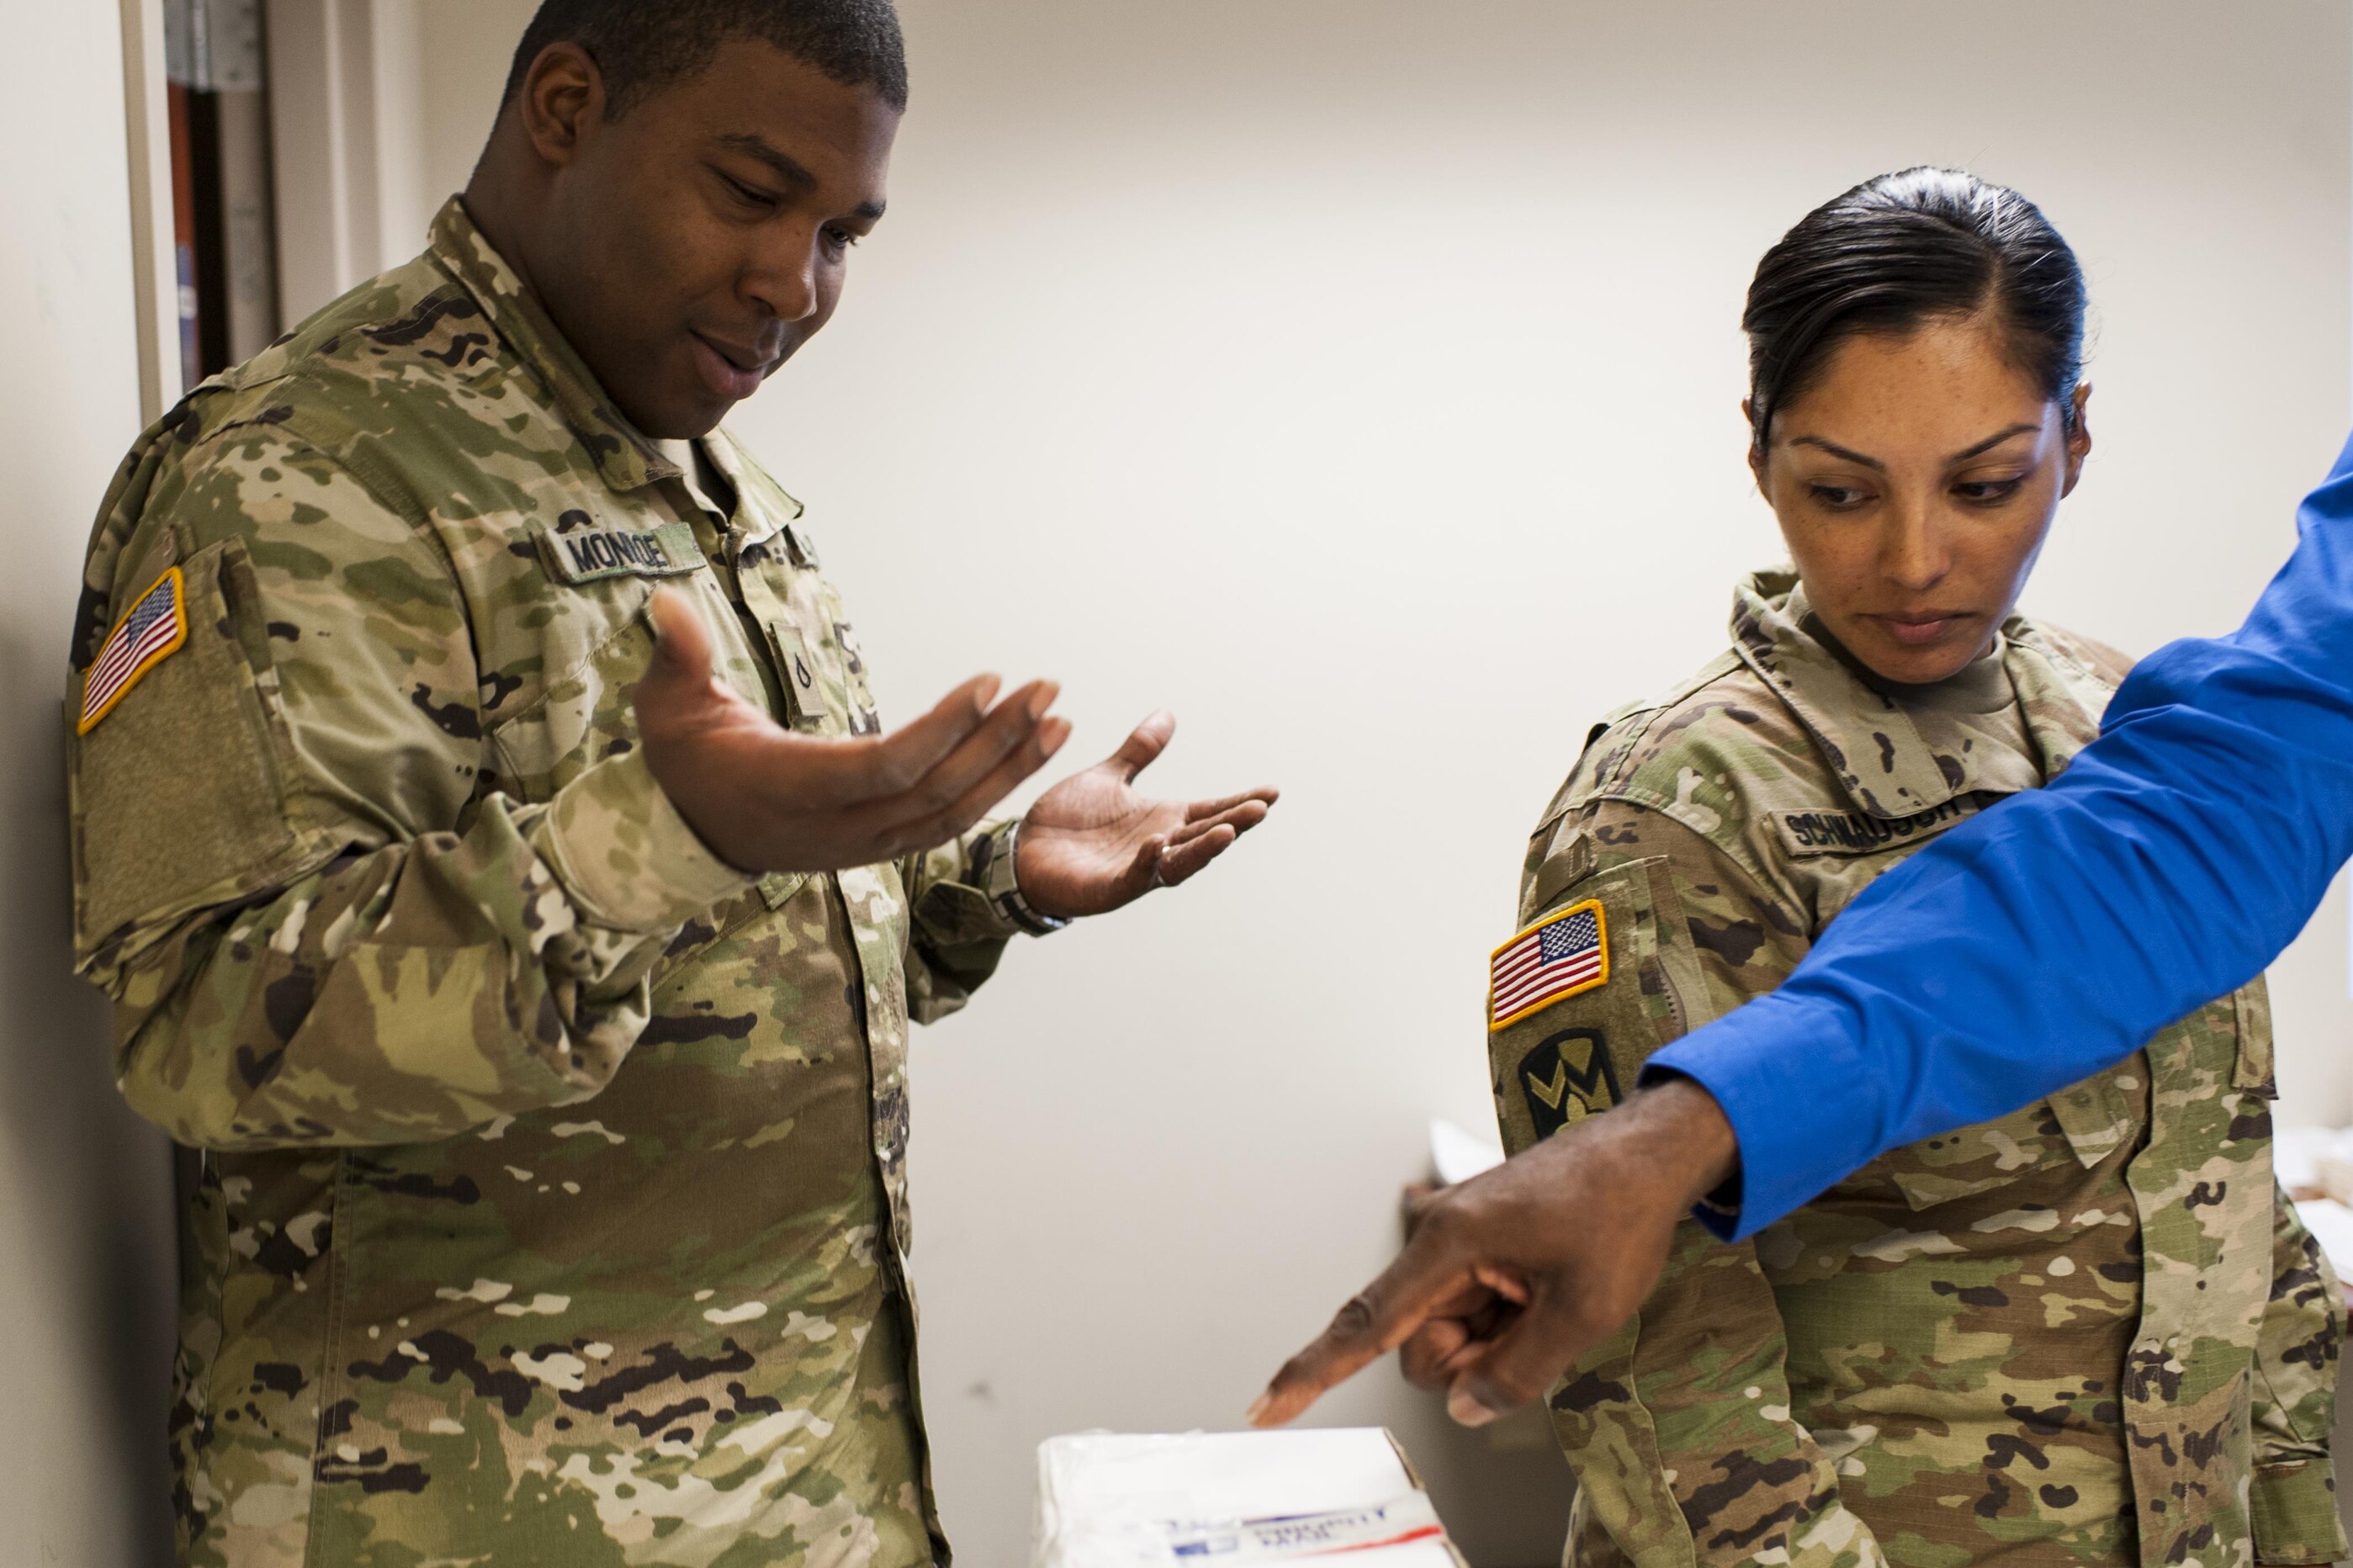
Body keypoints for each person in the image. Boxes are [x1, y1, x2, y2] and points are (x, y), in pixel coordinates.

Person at [67, 3, 1275, 1563]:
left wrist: (984, 888)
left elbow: (753, 940)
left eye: (845, 231)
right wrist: (650, 839)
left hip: (801, 1483)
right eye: (755, 192)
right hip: (462, 1511)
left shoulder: (707, 474)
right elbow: (204, 1027)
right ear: (565, 107)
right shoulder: (297, 476)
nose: (798, 283)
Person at [1251, 171, 2353, 1555]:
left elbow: (2236, 1237)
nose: (1913, 560)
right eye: (1839, 489)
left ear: (2073, 440)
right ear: (1758, 453)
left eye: (1985, 484)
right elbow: (1655, 1368)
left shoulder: (2135, 735)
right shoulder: (1672, 801)